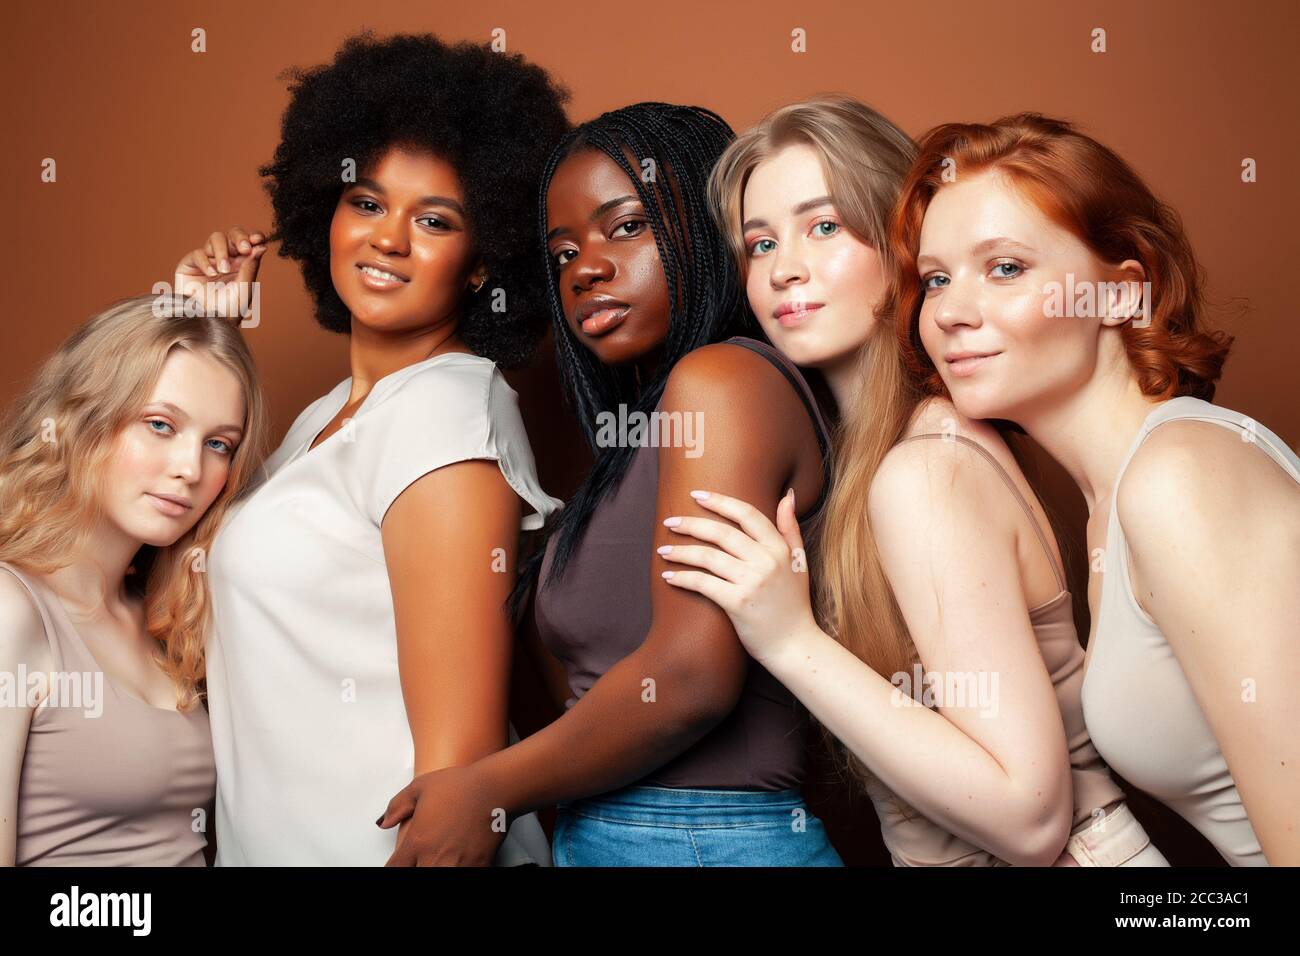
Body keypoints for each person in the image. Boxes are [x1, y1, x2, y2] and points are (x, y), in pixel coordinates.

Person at [661, 94, 1166, 866]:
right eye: (759, 243)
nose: (784, 266)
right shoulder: (892, 454)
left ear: (904, 244)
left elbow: (1030, 822)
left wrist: (790, 640)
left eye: (824, 226)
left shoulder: (925, 469)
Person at [378, 102, 843, 866]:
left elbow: (692, 677)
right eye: (562, 253)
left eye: (626, 227)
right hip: (616, 834)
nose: (586, 268)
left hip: (704, 838)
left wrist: (484, 790)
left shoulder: (723, 381)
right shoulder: (643, 436)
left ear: (710, 226)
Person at [174, 31, 572, 865]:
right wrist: (200, 336)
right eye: (366, 202)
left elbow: (455, 787)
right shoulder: (329, 418)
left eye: (434, 220)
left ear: (480, 263)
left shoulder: (446, 410)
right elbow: (174, 586)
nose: (388, 238)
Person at [891, 112, 1299, 865]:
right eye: (938, 279)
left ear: (1119, 295)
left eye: (1005, 267)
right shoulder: (1111, 503)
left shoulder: (1181, 479)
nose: (948, 310)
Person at [0, 294, 269, 866]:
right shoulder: (12, 607)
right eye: (160, 425)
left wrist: (203, 315)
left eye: (218, 443)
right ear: (82, 419)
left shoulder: (162, 615)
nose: (191, 470)